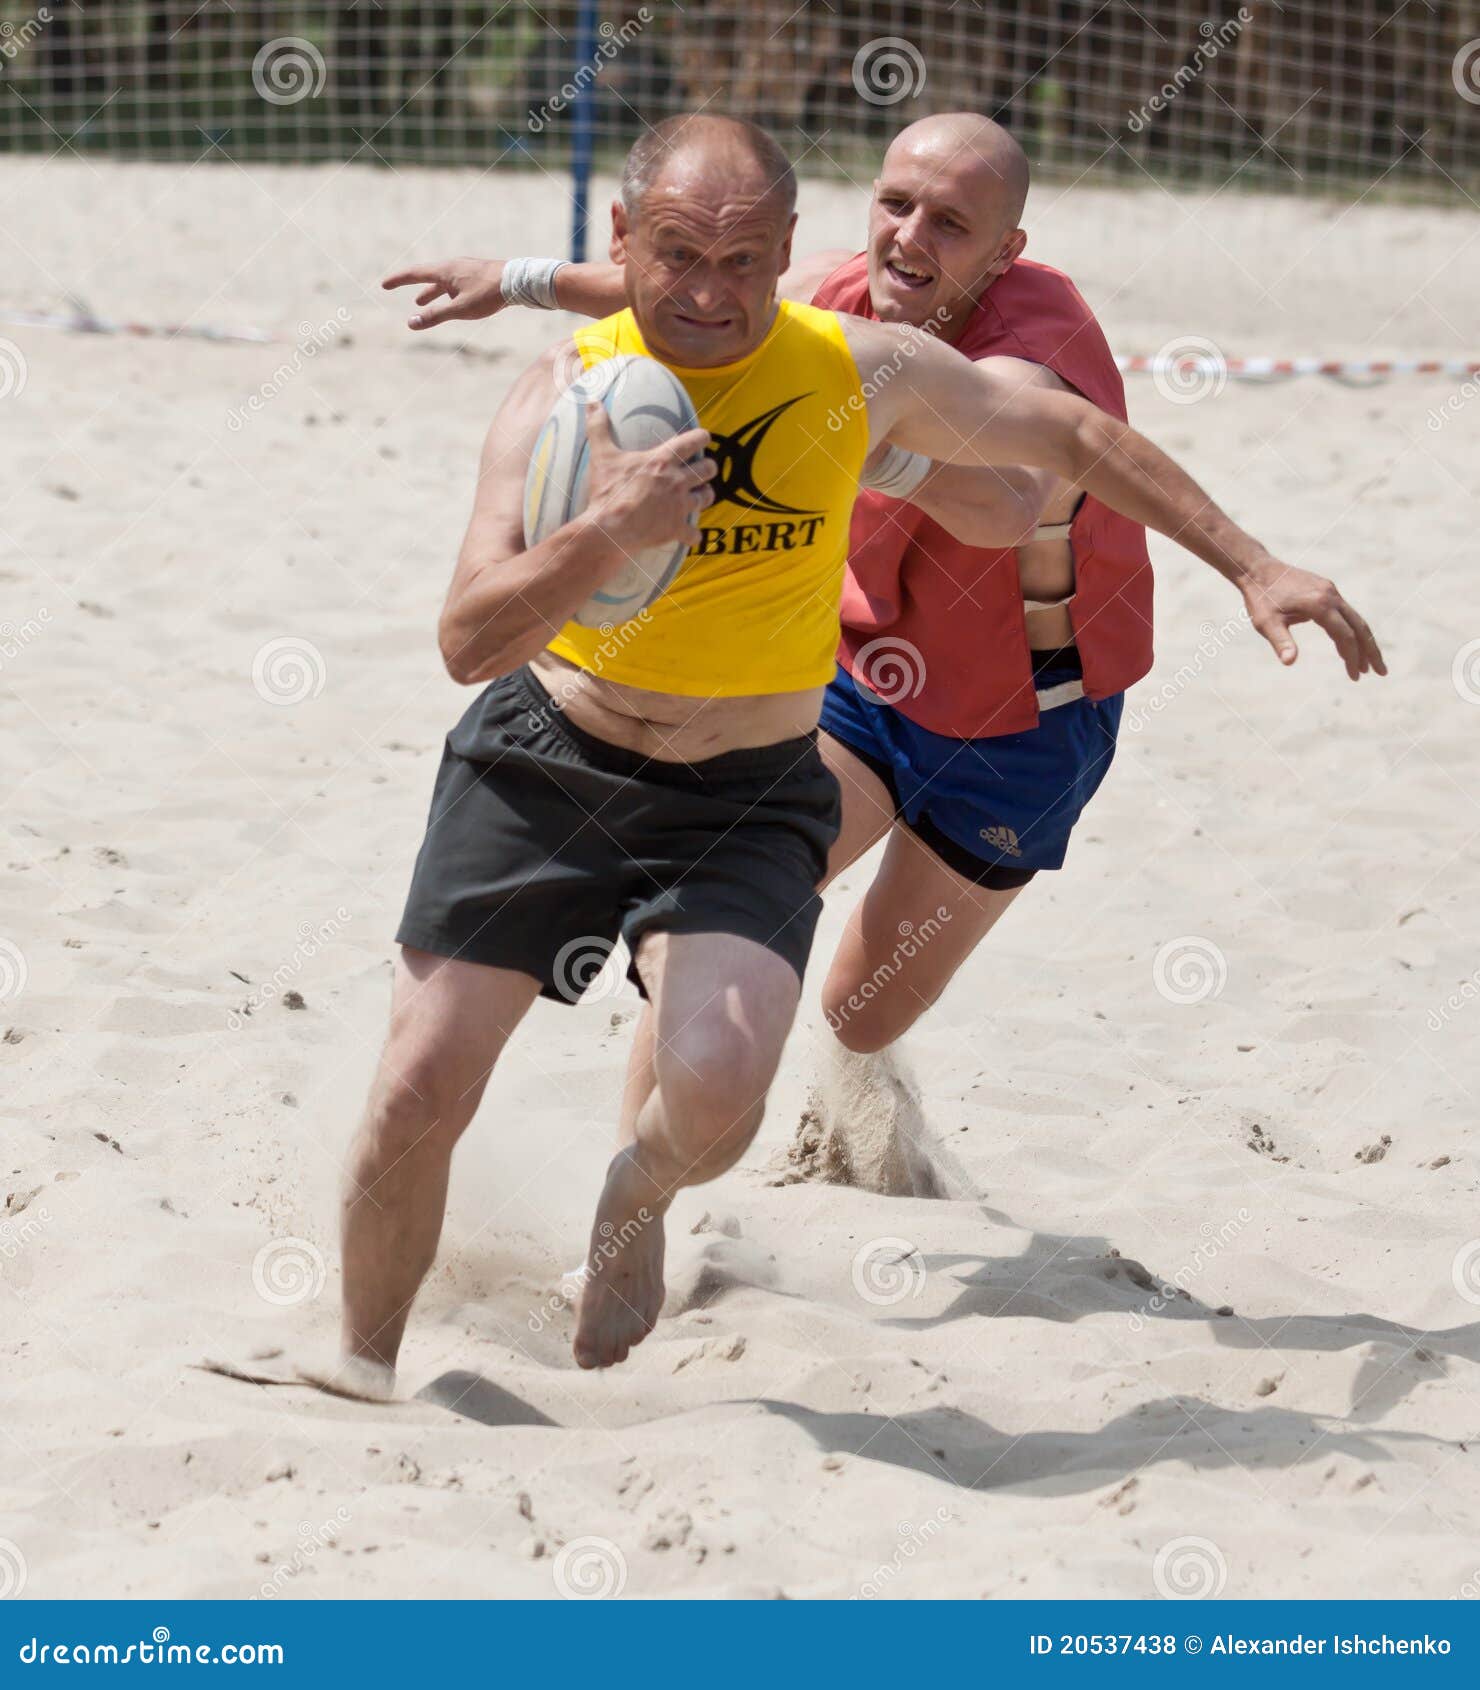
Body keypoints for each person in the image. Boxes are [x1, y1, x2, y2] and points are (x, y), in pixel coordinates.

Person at [334, 111, 1374, 1397]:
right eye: (893, 205)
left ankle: (760, 1090)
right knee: (702, 998)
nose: (907, 236)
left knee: (861, 1008)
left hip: (1025, 717)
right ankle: (637, 1194)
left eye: (948, 223)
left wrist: (1253, 565)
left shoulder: (1020, 349)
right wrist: (524, 281)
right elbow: (688, 287)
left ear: (1006, 250)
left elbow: (1067, 447)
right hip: (856, 691)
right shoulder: (811, 304)